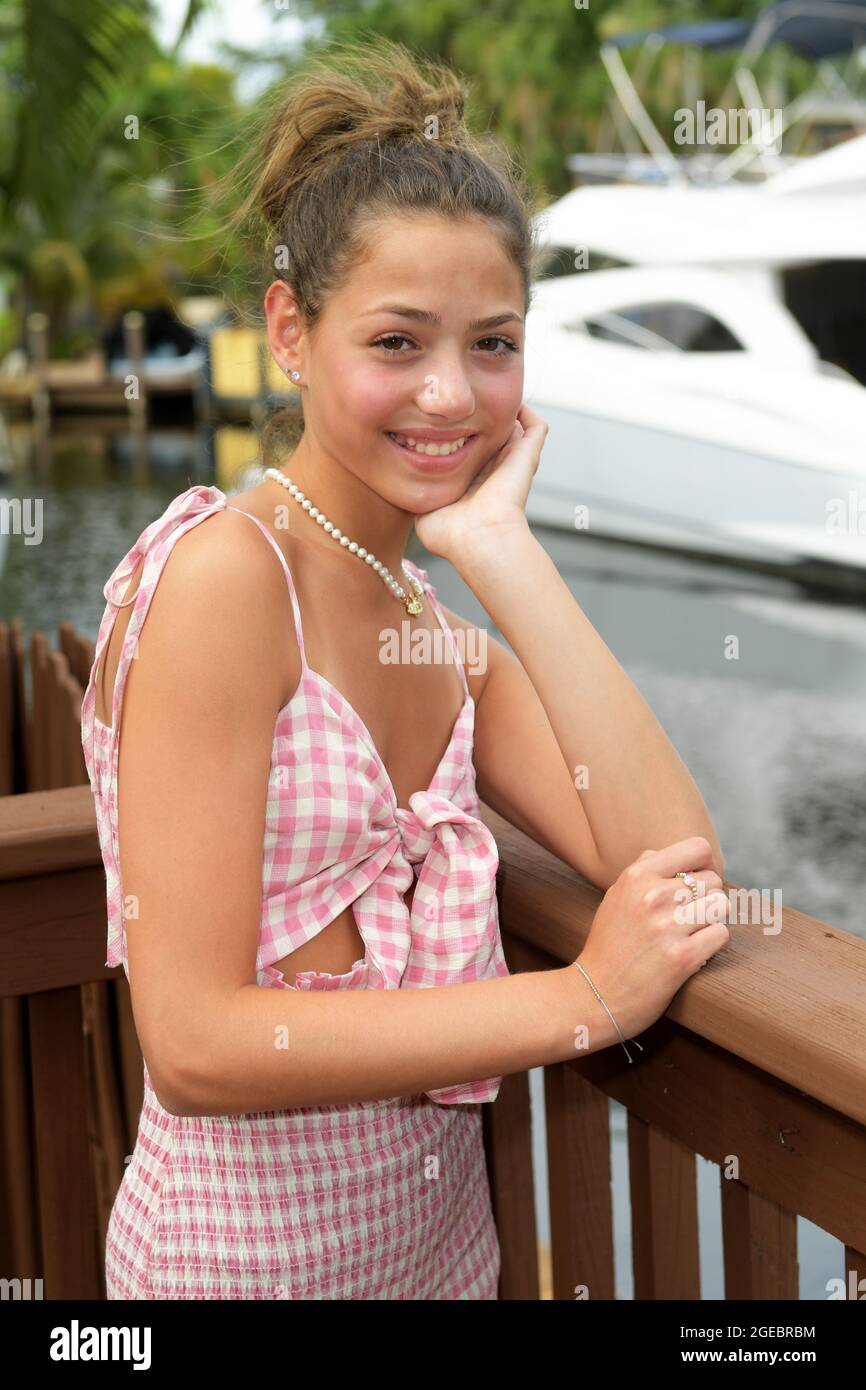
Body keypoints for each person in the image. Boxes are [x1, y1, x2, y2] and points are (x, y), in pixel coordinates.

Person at [81, 36, 730, 1301]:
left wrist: (501, 551)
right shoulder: (229, 579)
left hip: (436, 1257)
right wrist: (584, 998)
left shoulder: (419, 611)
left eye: (492, 344)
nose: (450, 393)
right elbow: (195, 1042)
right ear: (288, 329)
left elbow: (674, 859)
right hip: (237, 1270)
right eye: (396, 341)